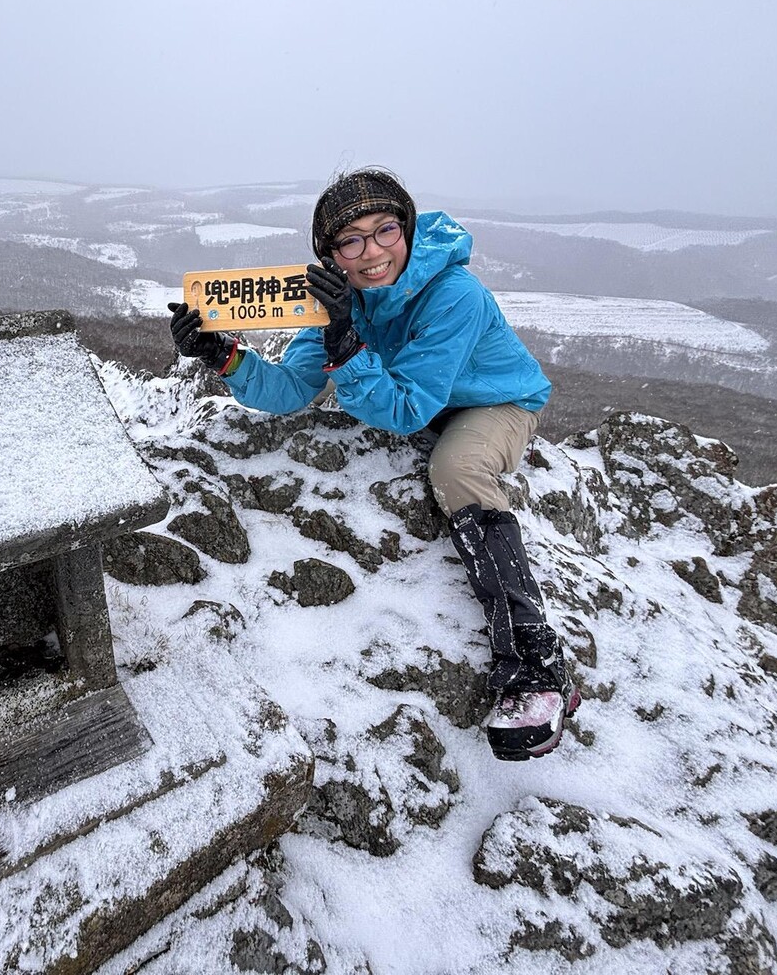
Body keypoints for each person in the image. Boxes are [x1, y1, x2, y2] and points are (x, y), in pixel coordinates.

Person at [167, 168, 579, 760]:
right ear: (331, 254)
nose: (372, 251)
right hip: (420, 398)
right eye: (350, 240)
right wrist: (223, 355)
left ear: (407, 229)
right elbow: (290, 390)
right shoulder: (340, 301)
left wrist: (345, 345)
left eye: (385, 230)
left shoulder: (453, 294)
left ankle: (536, 662)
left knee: (455, 470)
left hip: (492, 403)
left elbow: (408, 409)